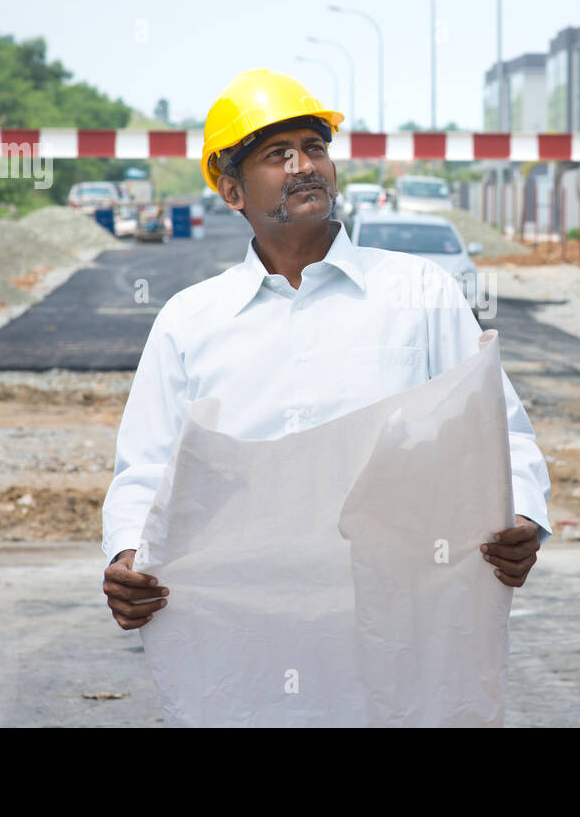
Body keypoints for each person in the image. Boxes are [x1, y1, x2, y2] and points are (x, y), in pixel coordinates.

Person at [101, 68, 552, 631]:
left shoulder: (420, 292)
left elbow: (499, 431)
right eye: (277, 154)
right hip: (244, 621)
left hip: (400, 610)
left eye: (314, 148)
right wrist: (125, 554)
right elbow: (148, 466)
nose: (304, 165)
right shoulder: (189, 323)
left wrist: (523, 514)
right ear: (232, 190)